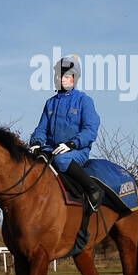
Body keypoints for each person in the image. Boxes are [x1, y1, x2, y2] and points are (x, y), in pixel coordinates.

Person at [28, 55, 101, 209]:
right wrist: (36, 142)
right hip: (53, 149)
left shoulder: (84, 100)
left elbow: (90, 129)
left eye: (66, 76)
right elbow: (42, 128)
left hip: (76, 151)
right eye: (59, 75)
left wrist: (72, 144)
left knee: (61, 160)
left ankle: (93, 189)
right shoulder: (50, 102)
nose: (62, 79)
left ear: (74, 78)